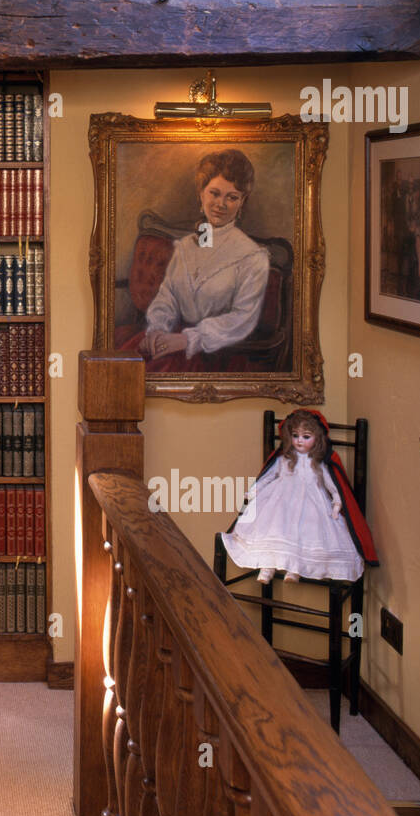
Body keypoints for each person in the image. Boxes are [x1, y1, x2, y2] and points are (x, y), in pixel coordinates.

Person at [135, 149, 270, 369]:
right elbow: (168, 294)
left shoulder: (253, 257)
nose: (221, 204)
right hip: (171, 342)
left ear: (242, 202)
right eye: (214, 193)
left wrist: (188, 339)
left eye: (232, 197)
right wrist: (158, 330)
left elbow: (242, 318)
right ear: (201, 194)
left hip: (218, 353)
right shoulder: (188, 245)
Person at [220, 410, 376, 584]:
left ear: (317, 438)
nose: (299, 440)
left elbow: (333, 485)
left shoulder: (318, 463)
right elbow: (268, 476)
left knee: (305, 533)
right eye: (295, 435)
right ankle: (267, 567)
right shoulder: (284, 459)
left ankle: (294, 569)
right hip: (279, 502)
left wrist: (337, 502)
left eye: (306, 436)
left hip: (311, 503)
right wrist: (254, 491)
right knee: (273, 529)